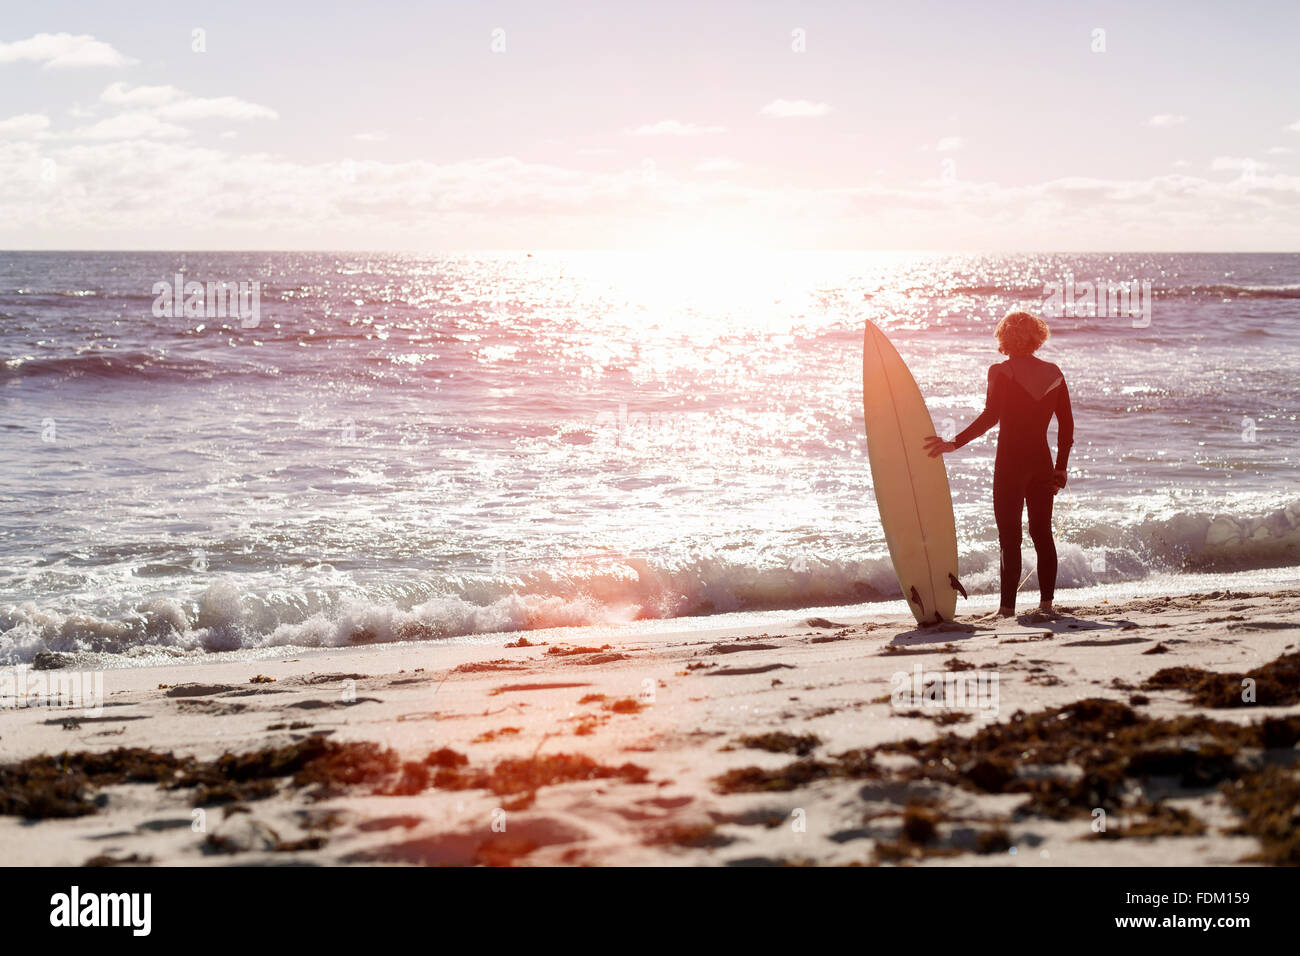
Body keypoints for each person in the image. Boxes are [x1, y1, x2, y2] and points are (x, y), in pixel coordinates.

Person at [924, 311, 1073, 618]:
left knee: (1009, 536)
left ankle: (1006, 609)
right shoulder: (1054, 373)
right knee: (1042, 533)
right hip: (1042, 462)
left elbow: (990, 416)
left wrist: (954, 443)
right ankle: (1046, 605)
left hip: (1011, 462)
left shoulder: (1000, 372)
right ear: (1037, 337)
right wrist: (1061, 468)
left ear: (1004, 337)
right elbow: (1067, 427)